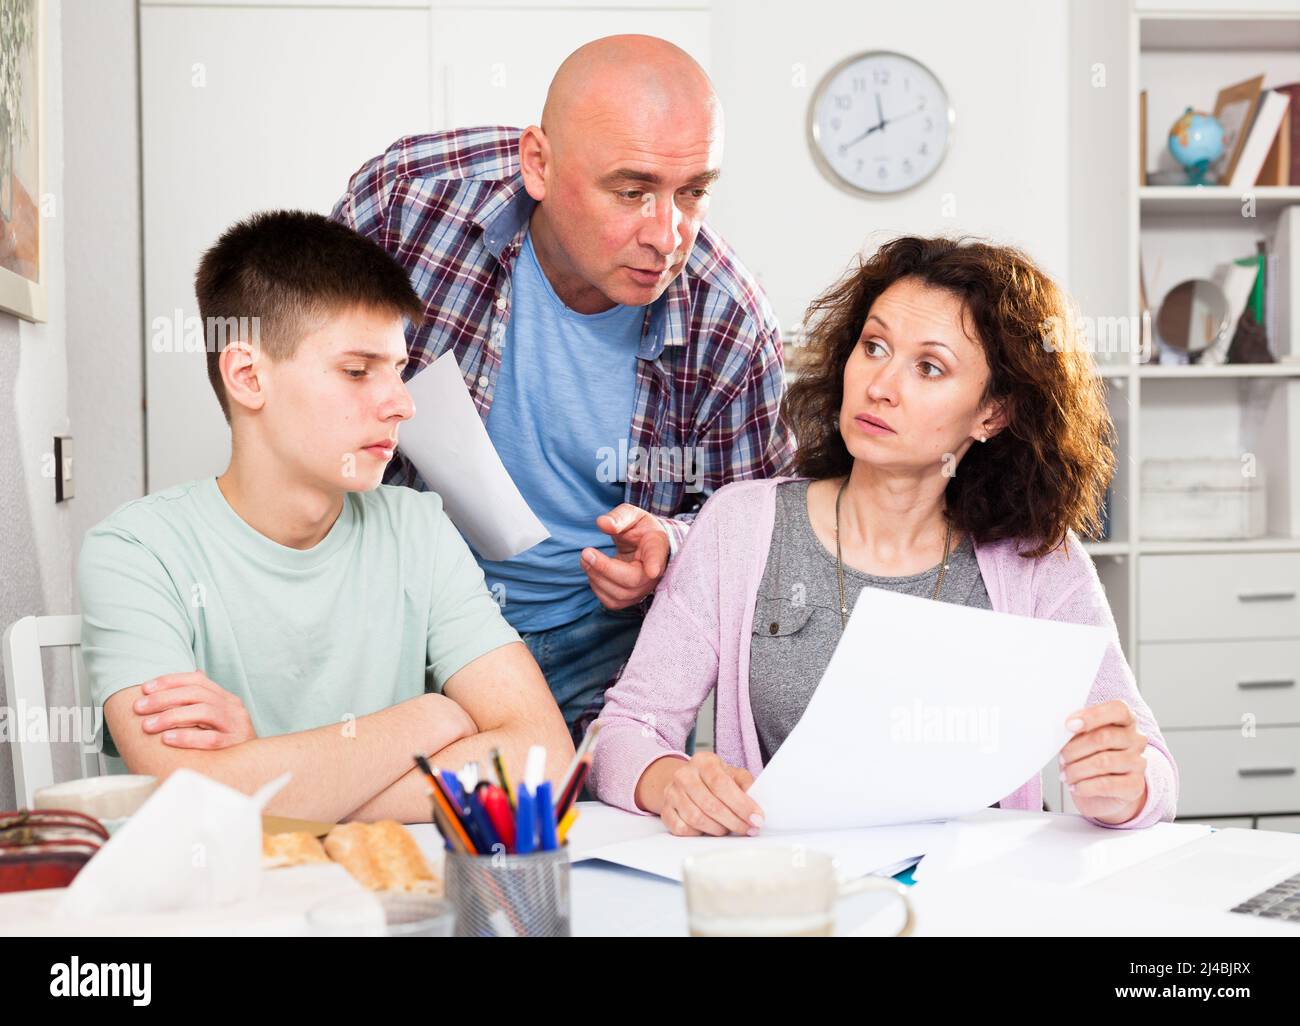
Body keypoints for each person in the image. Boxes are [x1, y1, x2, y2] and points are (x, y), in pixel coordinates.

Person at [588, 235, 1178, 834]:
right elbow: (625, 732)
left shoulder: (1037, 560)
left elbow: (1152, 765)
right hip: (799, 895)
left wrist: (1127, 788)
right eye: (874, 347)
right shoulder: (738, 527)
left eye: (929, 367)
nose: (880, 385)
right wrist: (671, 781)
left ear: (991, 414)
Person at [332, 35, 794, 737]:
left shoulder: (729, 318)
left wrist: (670, 543)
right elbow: (303, 373)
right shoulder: (409, 199)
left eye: (693, 193)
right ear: (538, 164)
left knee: (559, 840)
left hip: (594, 641)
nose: (668, 236)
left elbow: (763, 531)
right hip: (398, 608)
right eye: (632, 191)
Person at [77, 211, 573, 823]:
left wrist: (263, 772)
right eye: (358, 371)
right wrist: (434, 718)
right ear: (248, 375)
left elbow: (543, 759)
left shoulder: (417, 527)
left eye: (398, 370)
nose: (401, 404)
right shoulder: (135, 553)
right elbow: (188, 805)